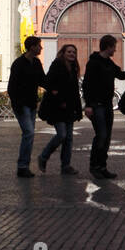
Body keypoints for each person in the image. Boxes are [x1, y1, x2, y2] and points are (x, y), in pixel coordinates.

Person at [83, 34, 125, 179]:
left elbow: (120, 75)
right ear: (108, 46)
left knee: (107, 137)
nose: (115, 50)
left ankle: (102, 167)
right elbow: (87, 85)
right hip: (96, 106)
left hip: (107, 105)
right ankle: (94, 166)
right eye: (114, 47)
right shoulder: (94, 63)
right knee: (101, 135)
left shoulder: (109, 63)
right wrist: (88, 105)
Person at [37, 44, 82, 175]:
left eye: (74, 52)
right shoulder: (57, 65)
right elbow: (49, 83)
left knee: (68, 138)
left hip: (69, 108)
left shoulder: (74, 68)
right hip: (57, 107)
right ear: (63, 53)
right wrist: (59, 98)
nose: (72, 54)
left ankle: (66, 165)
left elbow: (74, 91)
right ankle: (43, 156)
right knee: (62, 134)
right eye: (69, 52)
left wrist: (78, 110)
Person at [8, 36, 44, 178]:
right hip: (21, 105)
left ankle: (24, 166)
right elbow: (12, 86)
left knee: (29, 134)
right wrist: (16, 103)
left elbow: (43, 80)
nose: (41, 48)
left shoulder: (36, 62)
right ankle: (22, 166)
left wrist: (55, 87)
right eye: (39, 45)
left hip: (31, 103)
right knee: (29, 133)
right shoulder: (18, 63)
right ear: (32, 47)